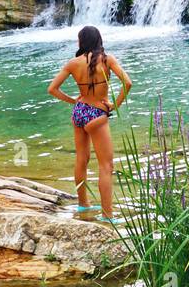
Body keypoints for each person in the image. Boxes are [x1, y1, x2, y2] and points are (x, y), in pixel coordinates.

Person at [47, 25, 131, 221]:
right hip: (97, 115)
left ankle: (83, 204)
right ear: (99, 40)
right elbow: (127, 83)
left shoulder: (73, 63)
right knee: (106, 166)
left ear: (81, 42)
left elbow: (52, 89)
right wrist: (114, 106)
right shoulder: (107, 60)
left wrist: (74, 101)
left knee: (81, 160)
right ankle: (107, 215)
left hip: (79, 112)